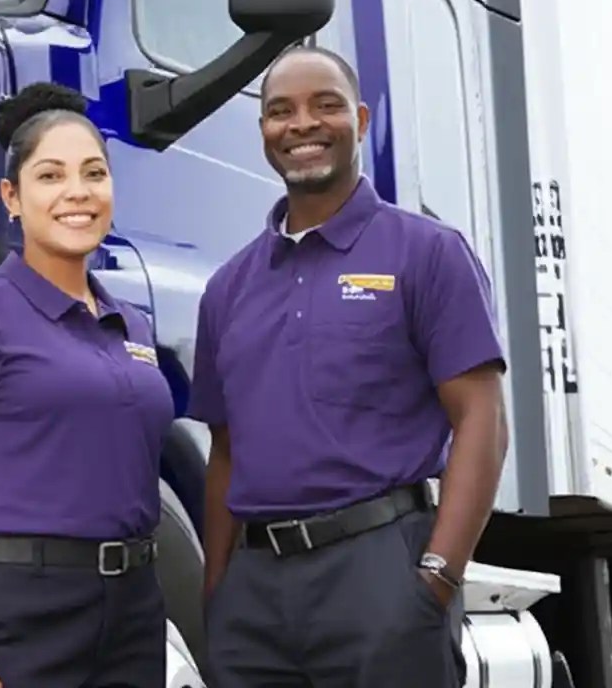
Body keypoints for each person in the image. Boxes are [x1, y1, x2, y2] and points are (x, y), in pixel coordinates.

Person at [190, 45, 509, 686]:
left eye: (325, 106)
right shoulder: (227, 288)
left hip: (381, 573)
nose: (302, 124)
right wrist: (219, 592)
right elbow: (225, 452)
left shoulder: (427, 253)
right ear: (263, 134)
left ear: (360, 121)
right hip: (255, 600)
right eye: (281, 111)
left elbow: (482, 420)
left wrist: (439, 577)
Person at [0, 82, 174, 688]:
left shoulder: (132, 323)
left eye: (94, 173)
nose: (77, 192)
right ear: (12, 197)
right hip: (25, 610)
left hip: (133, 607)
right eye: (50, 176)